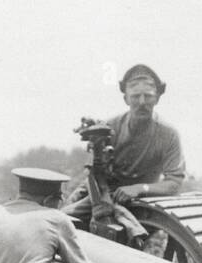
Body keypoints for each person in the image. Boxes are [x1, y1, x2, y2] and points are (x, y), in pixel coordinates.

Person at [64, 64, 186, 245]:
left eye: (148, 96)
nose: (142, 102)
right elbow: (93, 175)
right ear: (126, 99)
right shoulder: (108, 128)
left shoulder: (168, 135)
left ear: (157, 99)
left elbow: (174, 184)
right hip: (100, 190)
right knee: (62, 220)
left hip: (139, 199)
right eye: (136, 96)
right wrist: (102, 202)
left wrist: (139, 189)